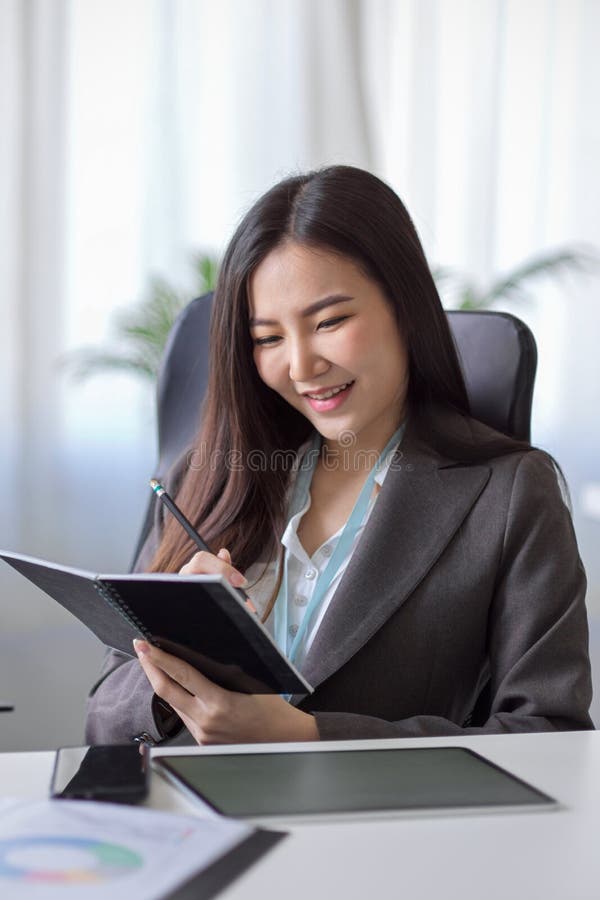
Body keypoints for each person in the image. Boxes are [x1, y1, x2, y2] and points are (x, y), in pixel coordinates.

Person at [86, 165, 593, 746]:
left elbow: (553, 736)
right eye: (269, 339)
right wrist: (176, 650)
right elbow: (102, 717)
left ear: (405, 306)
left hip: (382, 831)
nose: (302, 367)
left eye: (329, 321)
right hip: (199, 824)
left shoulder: (508, 493)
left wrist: (312, 737)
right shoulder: (210, 475)